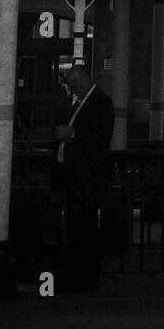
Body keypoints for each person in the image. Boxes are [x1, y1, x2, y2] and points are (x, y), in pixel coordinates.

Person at [55, 64, 114, 291]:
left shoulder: (100, 103)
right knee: (79, 226)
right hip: (77, 175)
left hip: (87, 177)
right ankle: (79, 274)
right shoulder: (83, 103)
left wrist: (73, 134)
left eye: (73, 85)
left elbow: (100, 137)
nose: (72, 90)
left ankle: (84, 276)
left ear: (82, 81)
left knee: (84, 227)